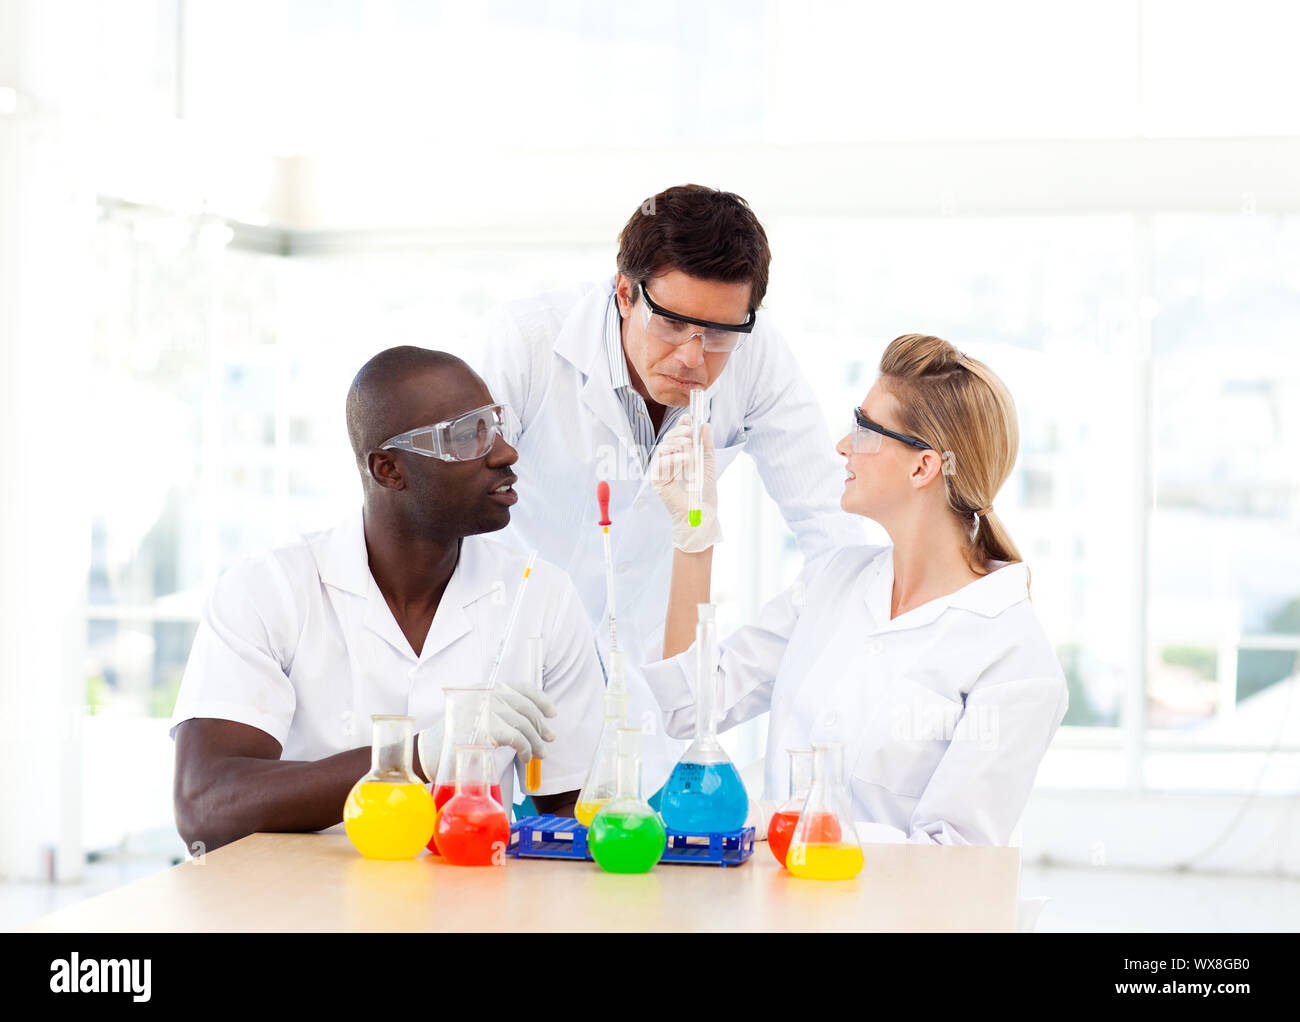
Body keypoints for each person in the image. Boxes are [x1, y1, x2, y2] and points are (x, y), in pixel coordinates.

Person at [475, 183, 865, 795]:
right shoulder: (524, 343)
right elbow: (457, 518)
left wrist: (768, 669)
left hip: (650, 696)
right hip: (514, 674)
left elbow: (837, 534)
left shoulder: (759, 361)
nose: (693, 358)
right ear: (625, 293)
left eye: (718, 334)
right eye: (675, 324)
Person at [171, 347, 603, 853]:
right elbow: (205, 806)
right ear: (388, 469)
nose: (505, 452)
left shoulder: (542, 598)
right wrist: (420, 756)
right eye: (467, 435)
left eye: (496, 424)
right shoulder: (268, 589)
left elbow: (570, 820)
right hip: (296, 908)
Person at [645, 334, 1068, 845]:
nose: (843, 445)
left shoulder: (1014, 658)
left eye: (865, 429)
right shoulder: (833, 581)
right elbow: (688, 707)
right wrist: (695, 534)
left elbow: (953, 857)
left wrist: (784, 822)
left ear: (923, 466)